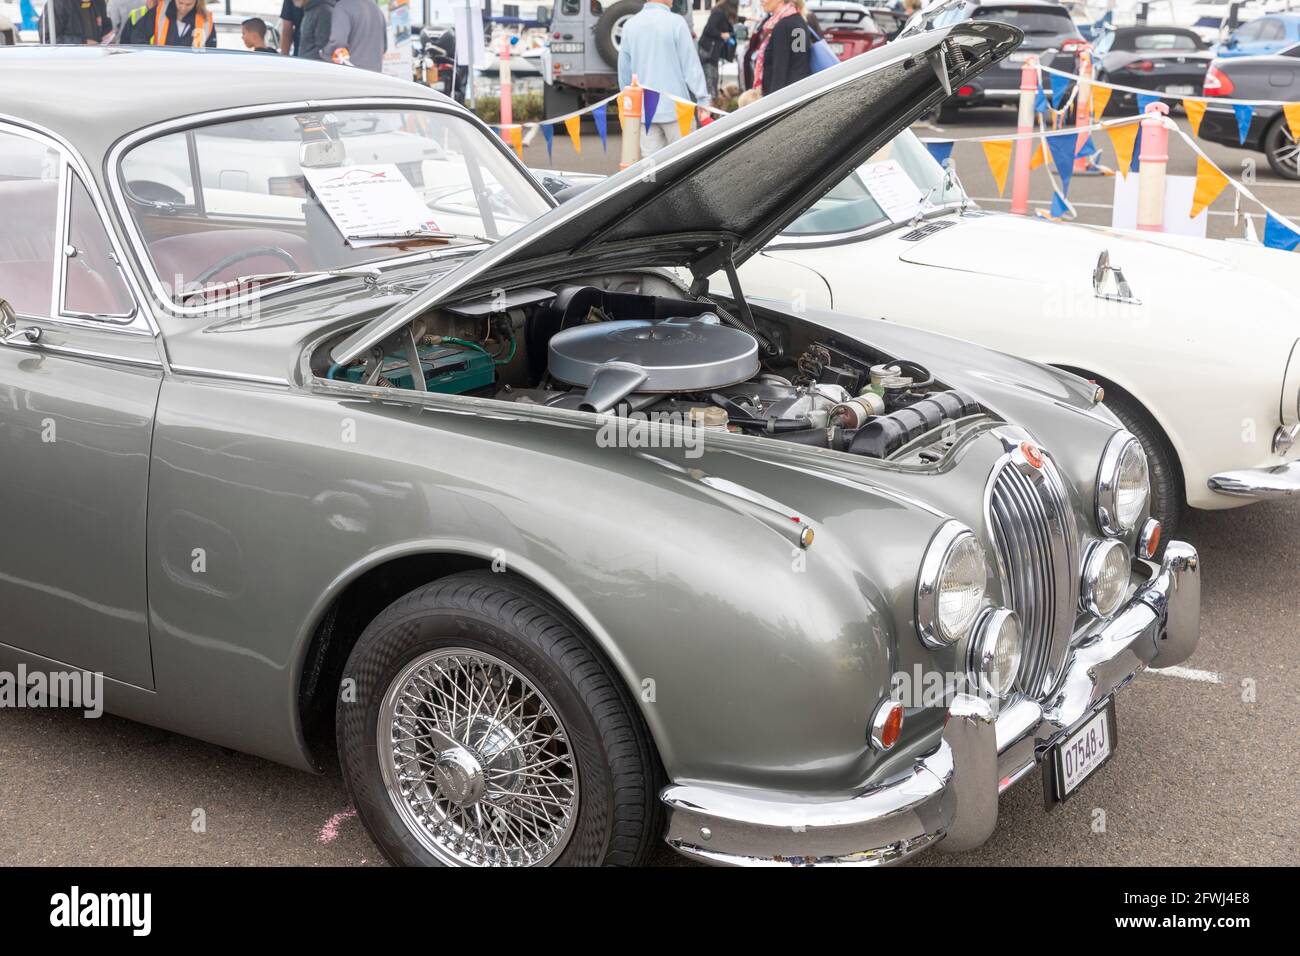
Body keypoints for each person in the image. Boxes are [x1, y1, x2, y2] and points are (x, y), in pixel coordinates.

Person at [617, 0, 710, 156]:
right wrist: (702, 99)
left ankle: (652, 181)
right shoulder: (676, 23)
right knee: (684, 163)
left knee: (651, 169)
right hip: (677, 109)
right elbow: (691, 66)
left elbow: (624, 71)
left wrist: (629, 104)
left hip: (644, 111)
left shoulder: (630, 25)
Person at [753, 0, 810, 96]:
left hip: (784, 97)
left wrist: (774, 102)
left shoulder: (783, 26)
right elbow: (799, 62)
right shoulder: (799, 21)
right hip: (798, 90)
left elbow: (780, 68)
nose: (761, 1)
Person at [321, 0, 386, 71]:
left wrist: (324, 54)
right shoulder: (376, 8)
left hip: (352, 72)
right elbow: (384, 46)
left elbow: (338, 41)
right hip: (376, 73)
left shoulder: (343, 6)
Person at [697, 0, 738, 99]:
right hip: (708, 52)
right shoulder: (719, 13)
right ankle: (710, 106)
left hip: (710, 51)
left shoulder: (721, 12)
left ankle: (711, 104)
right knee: (711, 81)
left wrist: (748, 18)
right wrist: (721, 35)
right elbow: (708, 29)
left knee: (711, 80)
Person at [147, 0, 216, 46]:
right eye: (180, 3)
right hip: (161, 65)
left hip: (192, 66)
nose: (183, 8)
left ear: (197, 2)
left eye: (188, 4)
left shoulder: (206, 20)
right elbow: (138, 34)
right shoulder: (160, 11)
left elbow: (211, 51)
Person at [40, 0, 111, 44]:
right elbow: (47, 40)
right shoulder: (58, 4)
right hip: (68, 62)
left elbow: (105, 26)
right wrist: (83, 42)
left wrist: (109, 34)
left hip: (96, 59)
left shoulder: (98, 2)